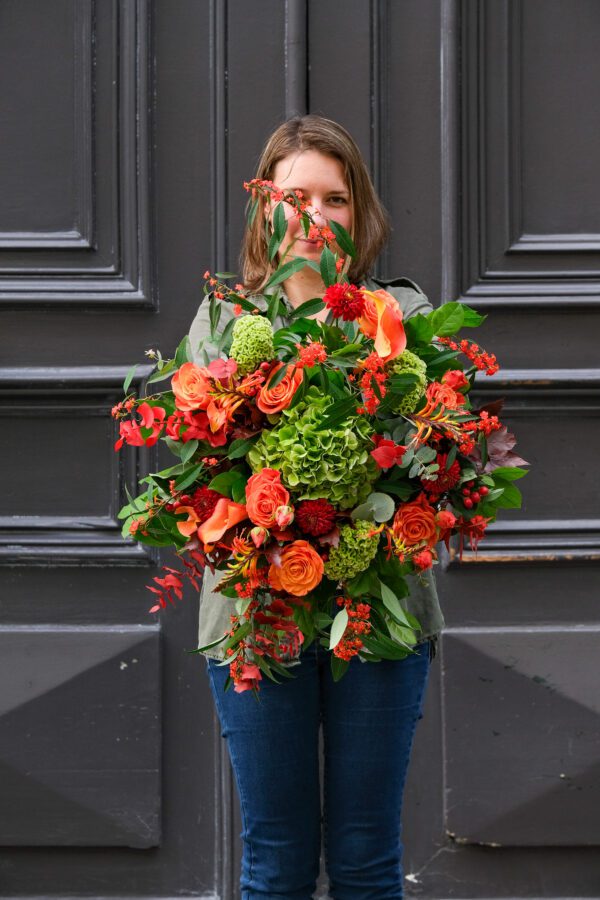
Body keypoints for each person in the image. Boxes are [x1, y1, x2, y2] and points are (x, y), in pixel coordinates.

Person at [188, 114, 445, 900]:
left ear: (357, 213)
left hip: (380, 607)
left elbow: (428, 459)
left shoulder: (399, 314)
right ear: (266, 209)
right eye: (294, 195)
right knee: (276, 857)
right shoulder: (226, 321)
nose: (313, 216)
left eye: (334, 199)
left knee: (368, 855)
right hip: (257, 611)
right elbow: (208, 471)